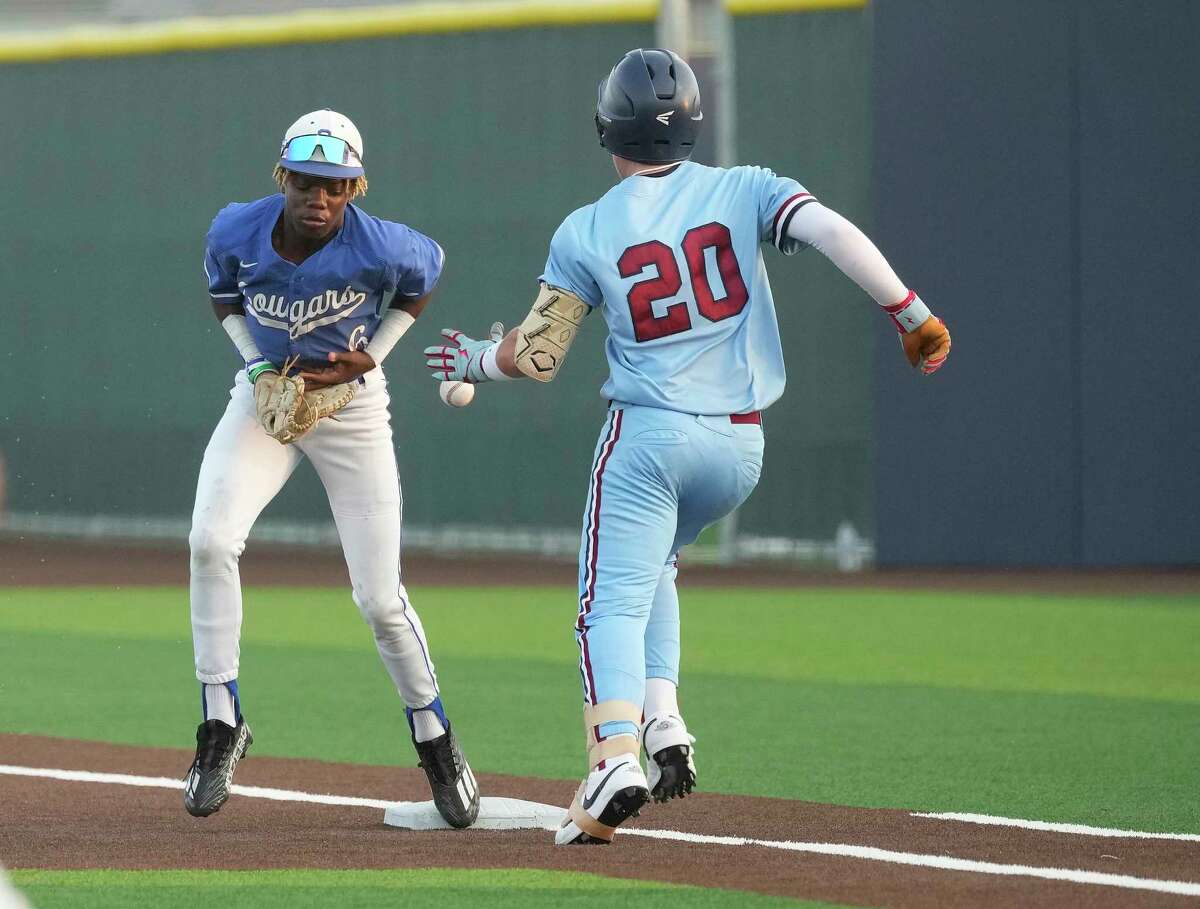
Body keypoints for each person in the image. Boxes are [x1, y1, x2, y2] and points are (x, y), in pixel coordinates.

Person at [424, 50, 950, 845]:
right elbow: (833, 231)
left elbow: (535, 357)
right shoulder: (746, 187)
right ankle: (664, 720)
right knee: (658, 566)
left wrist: (471, 358)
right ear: (693, 123)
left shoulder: (587, 228)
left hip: (649, 438)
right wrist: (910, 312)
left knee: (608, 600)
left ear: (608, 129)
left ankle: (611, 755)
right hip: (738, 451)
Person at [185, 109, 479, 828]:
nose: (321, 199)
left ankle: (435, 736)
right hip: (267, 396)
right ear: (284, 178)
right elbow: (224, 293)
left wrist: (375, 352)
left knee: (380, 598)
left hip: (349, 405)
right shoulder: (235, 229)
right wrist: (256, 366)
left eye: (338, 186)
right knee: (209, 541)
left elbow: (423, 280)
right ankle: (221, 724)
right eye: (309, 183)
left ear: (356, 188)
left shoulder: (384, 244)